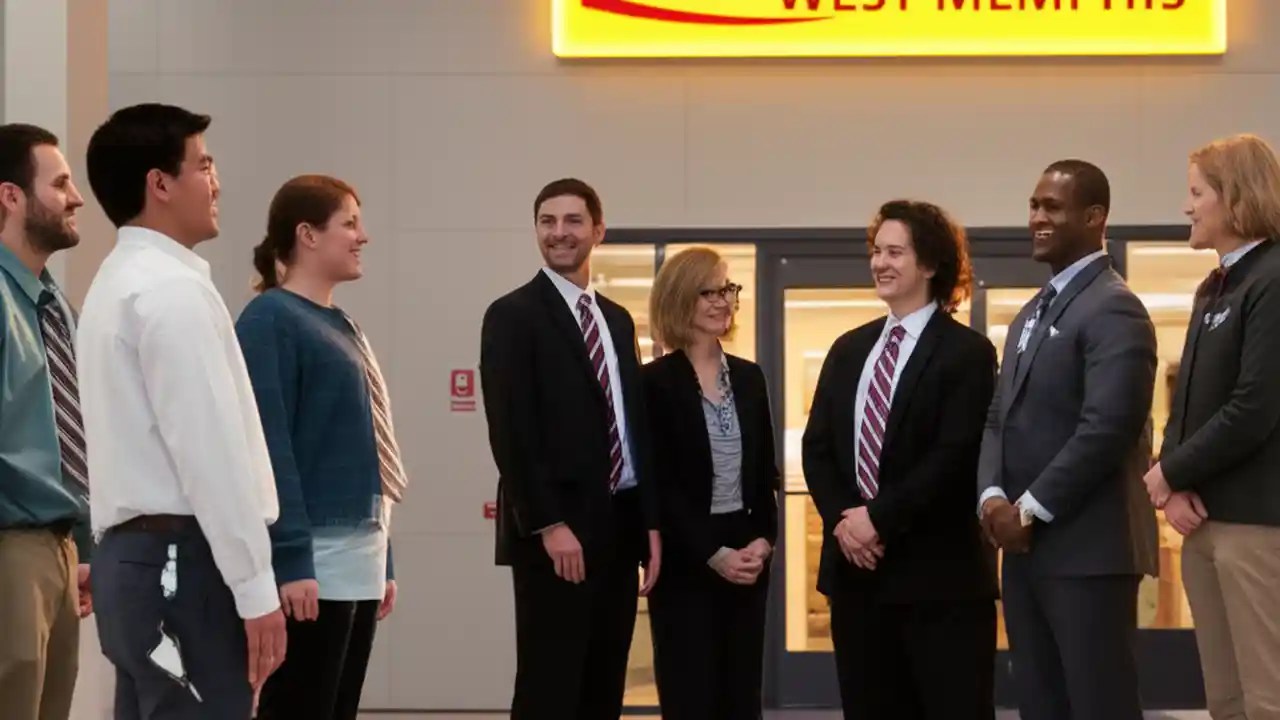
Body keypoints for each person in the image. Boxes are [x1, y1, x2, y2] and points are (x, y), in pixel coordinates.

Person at [78, 103, 286, 719]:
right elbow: (209, 454)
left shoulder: (115, 281)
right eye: (204, 164)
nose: (216, 181)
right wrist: (255, 590)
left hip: (132, 559)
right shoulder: (171, 291)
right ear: (160, 184)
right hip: (183, 564)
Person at [803, 200, 999, 720]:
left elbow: (953, 457)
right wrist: (845, 521)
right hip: (857, 580)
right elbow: (817, 447)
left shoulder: (968, 354)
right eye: (875, 251)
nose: (879, 263)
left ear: (930, 264)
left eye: (895, 252)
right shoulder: (849, 349)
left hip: (939, 584)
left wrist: (878, 519)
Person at [977, 160, 1158, 720]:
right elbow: (996, 417)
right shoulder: (1031, 312)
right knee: (1040, 703)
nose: (1036, 218)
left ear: (1095, 216)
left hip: (1089, 555)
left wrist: (1028, 510)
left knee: (1098, 704)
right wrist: (990, 499)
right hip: (1026, 555)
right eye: (1034, 206)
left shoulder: (1114, 306)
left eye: (1052, 207)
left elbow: (1106, 428)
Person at [479, 177, 661, 720]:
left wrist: (649, 524)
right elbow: (510, 430)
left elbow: (634, 430)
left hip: (619, 527)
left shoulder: (618, 320)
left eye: (573, 221)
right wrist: (549, 523)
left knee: (604, 684)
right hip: (555, 535)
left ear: (598, 230)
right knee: (549, 686)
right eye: (547, 222)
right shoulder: (512, 315)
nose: (559, 233)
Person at [236, 175, 402, 720]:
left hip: (358, 553)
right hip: (314, 561)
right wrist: (291, 559)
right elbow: (270, 448)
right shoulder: (269, 320)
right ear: (307, 234)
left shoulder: (340, 323)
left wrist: (386, 558)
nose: (363, 236)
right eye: (349, 223)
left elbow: (367, 446)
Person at [1144, 133, 1280, 720]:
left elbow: (1255, 405)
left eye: (1197, 192)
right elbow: (1187, 403)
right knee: (1224, 698)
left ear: (1235, 197)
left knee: (1265, 696)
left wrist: (1171, 469)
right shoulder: (1214, 286)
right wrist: (1171, 481)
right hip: (1203, 520)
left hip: (1256, 525)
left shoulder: (1271, 280)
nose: (1187, 206)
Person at [641, 247, 779, 719]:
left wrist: (764, 539)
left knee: (741, 699)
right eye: (710, 291)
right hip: (686, 560)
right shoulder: (653, 384)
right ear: (681, 299)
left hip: (746, 555)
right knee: (690, 697)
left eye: (729, 289)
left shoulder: (749, 377)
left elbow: (764, 473)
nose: (724, 301)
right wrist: (711, 553)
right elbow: (657, 484)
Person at [0, 123, 92, 720]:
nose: (76, 196)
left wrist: (81, 546)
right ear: (10, 196)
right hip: (10, 549)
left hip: (57, 550)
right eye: (60, 183)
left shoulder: (57, 306)